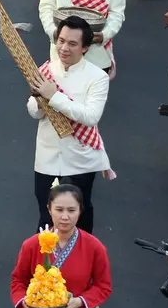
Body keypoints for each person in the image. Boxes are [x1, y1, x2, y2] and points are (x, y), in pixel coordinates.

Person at [28, 16, 112, 233]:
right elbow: (33, 112)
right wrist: (38, 101)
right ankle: (45, 266)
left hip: (81, 159)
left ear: (84, 48)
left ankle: (80, 263)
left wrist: (53, 96)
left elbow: (91, 116)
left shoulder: (97, 78)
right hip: (47, 157)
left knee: (78, 218)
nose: (64, 48)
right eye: (61, 41)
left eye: (72, 44)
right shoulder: (46, 68)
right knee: (46, 217)